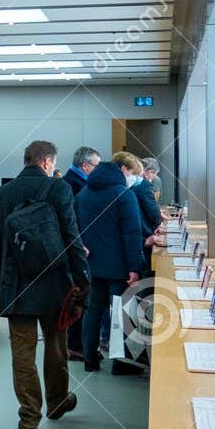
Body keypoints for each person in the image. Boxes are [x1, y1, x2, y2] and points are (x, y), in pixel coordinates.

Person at [0, 140, 89, 429]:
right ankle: (57, 403)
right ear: (46, 162)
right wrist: (82, 279)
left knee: (22, 352)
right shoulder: (59, 189)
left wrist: (0, 284)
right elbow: (71, 237)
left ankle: (29, 417)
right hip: (54, 283)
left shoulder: (3, 194)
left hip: (16, 283)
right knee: (56, 346)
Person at [76, 151, 147, 376]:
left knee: (92, 311)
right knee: (119, 314)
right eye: (132, 174)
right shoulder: (123, 194)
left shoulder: (84, 193)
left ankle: (89, 358)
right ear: (123, 170)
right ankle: (119, 362)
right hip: (119, 268)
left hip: (91, 264)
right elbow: (132, 233)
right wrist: (134, 267)